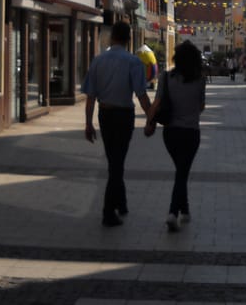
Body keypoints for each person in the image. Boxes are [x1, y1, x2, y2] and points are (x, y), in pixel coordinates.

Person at [82, 21, 153, 227]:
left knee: (114, 160)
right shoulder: (133, 62)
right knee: (116, 163)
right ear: (128, 39)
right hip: (124, 116)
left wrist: (88, 123)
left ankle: (121, 203)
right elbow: (141, 95)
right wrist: (150, 119)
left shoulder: (98, 61)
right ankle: (108, 212)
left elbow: (90, 97)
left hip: (105, 115)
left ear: (112, 37)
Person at [145, 40, 206, 231]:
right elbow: (201, 107)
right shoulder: (200, 79)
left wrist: (149, 123)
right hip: (191, 132)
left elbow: (157, 103)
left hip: (171, 133)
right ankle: (173, 212)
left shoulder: (166, 77)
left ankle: (184, 210)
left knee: (181, 170)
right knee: (182, 171)